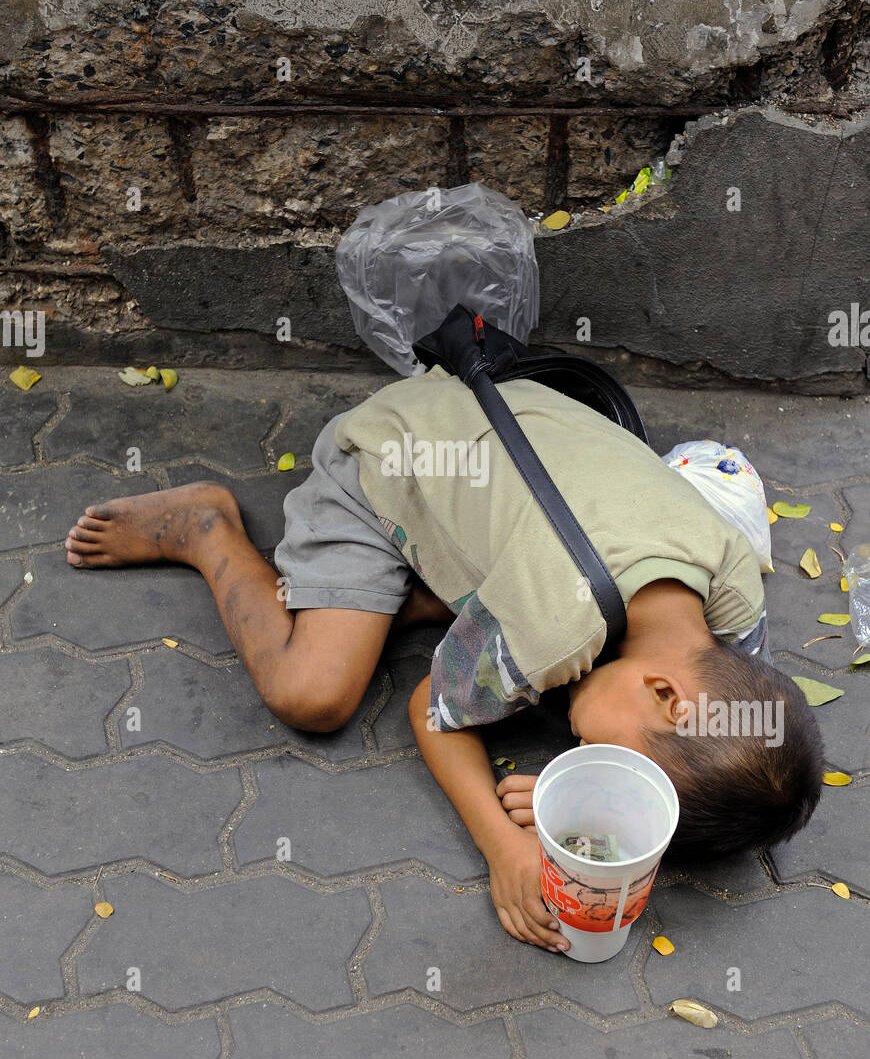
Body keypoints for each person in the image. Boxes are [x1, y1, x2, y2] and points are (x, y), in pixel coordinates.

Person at [65, 366, 824, 952]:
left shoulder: (730, 585)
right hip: (390, 452)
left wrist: (596, 796)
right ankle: (205, 529)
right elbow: (430, 711)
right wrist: (505, 847)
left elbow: (741, 717)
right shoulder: (553, 635)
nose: (584, 754)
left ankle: (433, 595)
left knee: (538, 649)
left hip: (512, 415)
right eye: (603, 755)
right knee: (314, 693)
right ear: (663, 693)